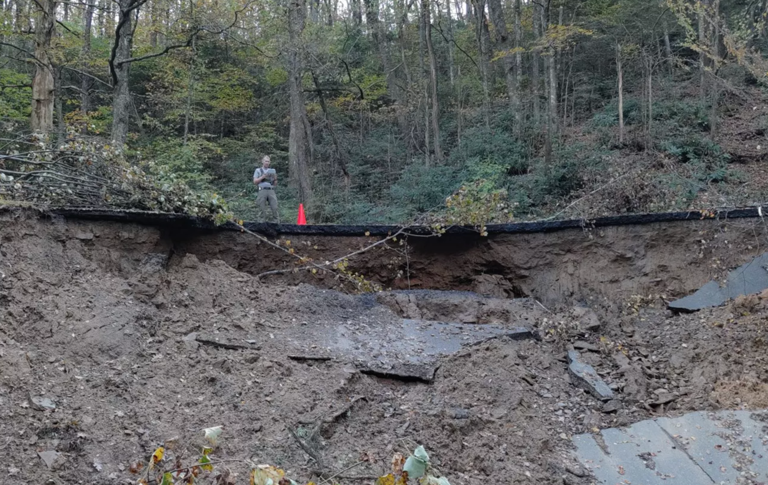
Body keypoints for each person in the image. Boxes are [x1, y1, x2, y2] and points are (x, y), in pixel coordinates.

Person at [253, 155, 279, 222]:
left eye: (268, 161)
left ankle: (276, 222)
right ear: (262, 161)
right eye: (265, 161)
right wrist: (263, 177)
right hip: (262, 190)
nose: (267, 163)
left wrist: (275, 178)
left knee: (274, 207)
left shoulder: (271, 171)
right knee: (261, 207)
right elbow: (255, 182)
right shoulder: (258, 170)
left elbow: (275, 184)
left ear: (269, 162)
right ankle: (261, 222)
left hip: (271, 190)